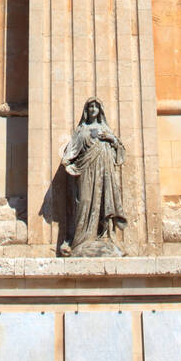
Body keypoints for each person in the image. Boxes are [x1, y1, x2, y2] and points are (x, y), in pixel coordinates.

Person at [60, 97, 128, 256]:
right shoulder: (81, 130)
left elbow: (119, 150)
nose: (93, 110)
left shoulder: (105, 129)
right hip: (86, 171)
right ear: (86, 110)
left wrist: (111, 139)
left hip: (104, 172)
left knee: (103, 202)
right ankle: (80, 240)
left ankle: (104, 237)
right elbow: (73, 149)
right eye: (90, 107)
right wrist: (67, 161)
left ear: (100, 111)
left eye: (95, 107)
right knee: (84, 201)